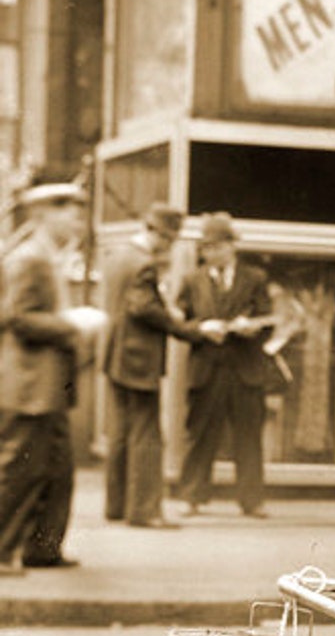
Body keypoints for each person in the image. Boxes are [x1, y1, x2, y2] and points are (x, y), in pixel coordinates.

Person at [101, 203, 216, 527]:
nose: (167, 247)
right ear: (156, 233)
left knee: (121, 432)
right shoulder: (144, 265)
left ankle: (117, 505)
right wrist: (193, 329)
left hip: (115, 354)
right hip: (138, 359)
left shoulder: (117, 255)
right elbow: (144, 309)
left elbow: (132, 305)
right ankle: (145, 511)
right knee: (147, 434)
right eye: (168, 239)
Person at [0, 175, 92, 573]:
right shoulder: (30, 258)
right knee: (20, 470)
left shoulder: (46, 255)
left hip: (47, 385)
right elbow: (17, 318)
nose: (77, 221)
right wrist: (72, 324)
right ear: (42, 214)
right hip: (29, 384)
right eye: (68, 213)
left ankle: (43, 549)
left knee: (58, 471)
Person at [175, 212, 273, 515]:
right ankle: (192, 496)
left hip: (245, 369)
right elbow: (179, 323)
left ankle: (252, 501)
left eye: (217, 246)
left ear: (232, 246)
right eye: (206, 248)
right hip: (207, 369)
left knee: (248, 437)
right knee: (200, 434)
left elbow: (269, 322)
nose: (211, 253)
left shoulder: (255, 279)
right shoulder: (191, 281)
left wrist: (250, 326)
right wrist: (202, 329)